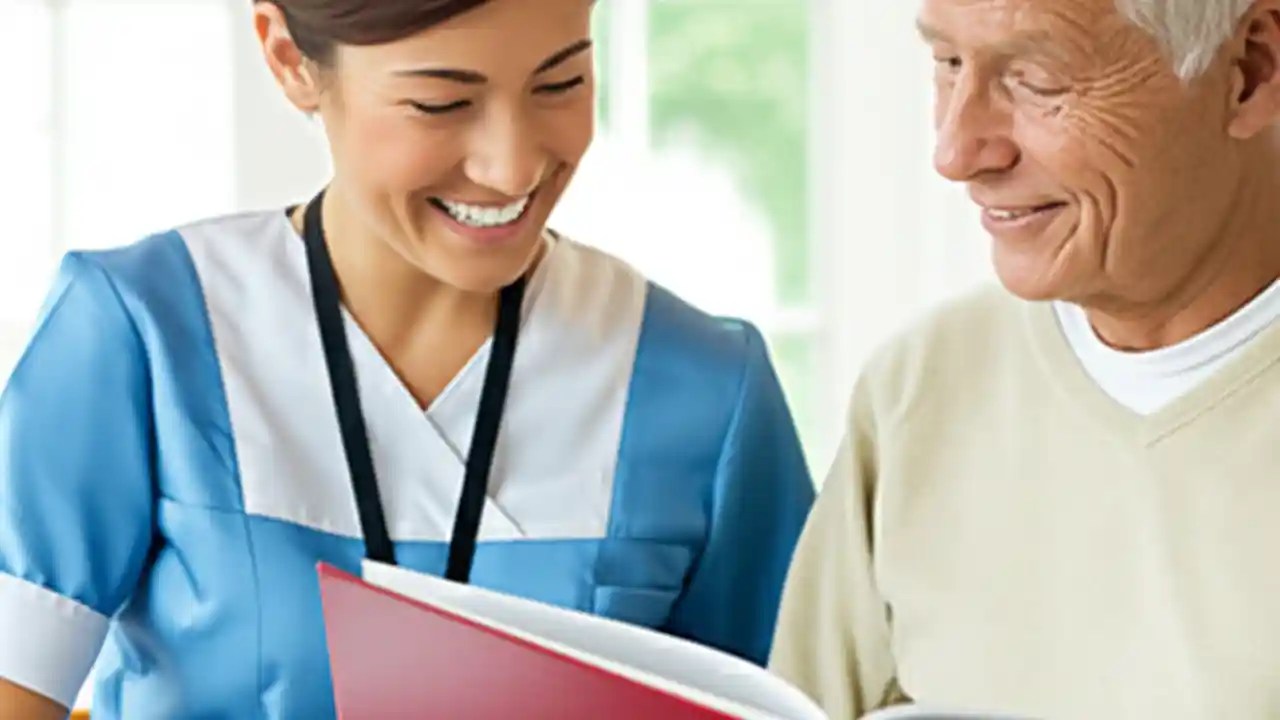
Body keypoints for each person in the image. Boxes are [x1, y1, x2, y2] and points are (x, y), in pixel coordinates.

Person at [0, 1, 815, 717]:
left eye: (560, 84)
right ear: (289, 59)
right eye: (442, 102)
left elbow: (783, 698)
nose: (512, 166)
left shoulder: (706, 390)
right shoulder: (144, 334)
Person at [769, 0, 1280, 717]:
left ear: (1252, 71)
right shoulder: (920, 387)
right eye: (948, 65)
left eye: (1037, 80)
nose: (955, 152)